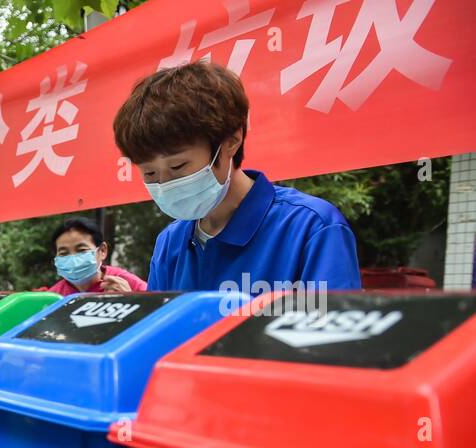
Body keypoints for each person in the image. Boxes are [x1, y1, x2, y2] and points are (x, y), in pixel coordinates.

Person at [112, 60, 360, 293]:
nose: (165, 185)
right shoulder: (170, 244)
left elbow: (333, 336)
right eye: (150, 173)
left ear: (231, 140)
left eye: (178, 167)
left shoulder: (310, 228)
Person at [44, 216, 147, 295]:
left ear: (102, 250)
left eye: (81, 250)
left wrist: (132, 300)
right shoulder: (53, 298)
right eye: (64, 253)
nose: (73, 260)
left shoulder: (127, 284)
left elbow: (159, 312)